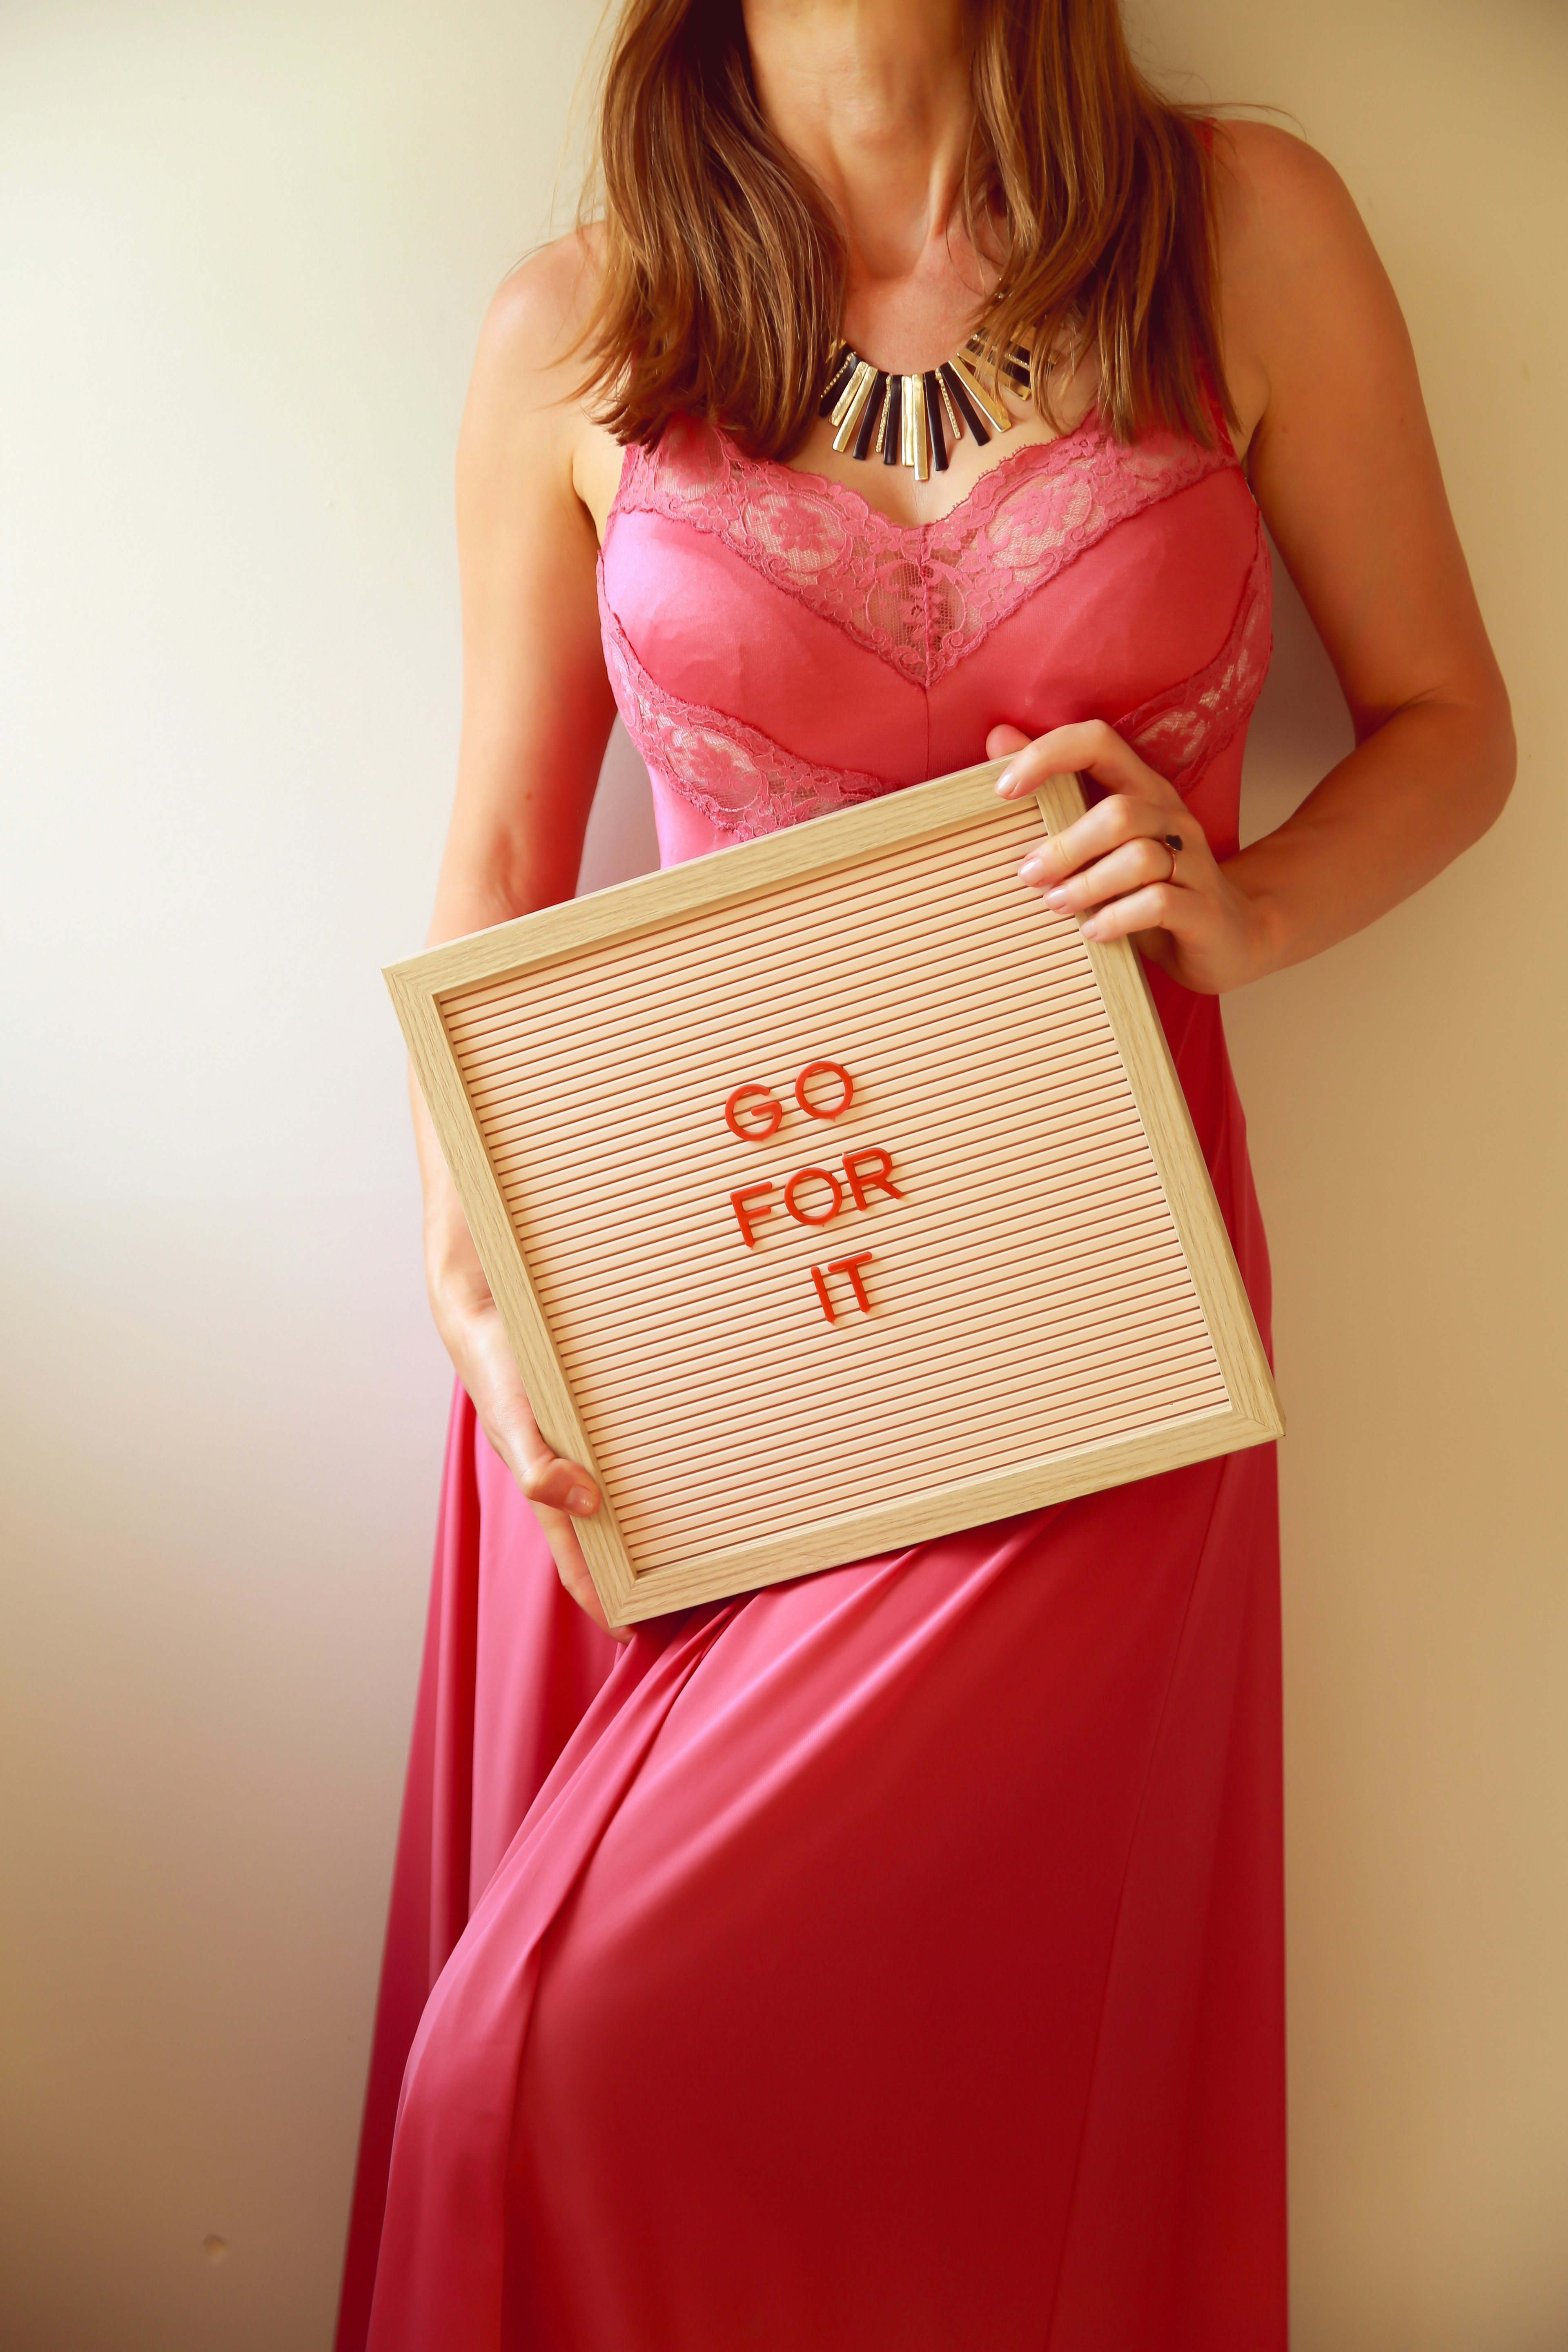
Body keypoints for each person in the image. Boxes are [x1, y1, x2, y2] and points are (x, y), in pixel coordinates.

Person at [336, 1, 1513, 2343]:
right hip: (684, 1314)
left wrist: (1250, 908)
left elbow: (1453, 728)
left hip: (1086, 1325)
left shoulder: (1239, 230)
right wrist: (472, 1248)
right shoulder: (577, 326)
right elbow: (494, 851)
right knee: (535, 2084)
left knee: (741, 2070)